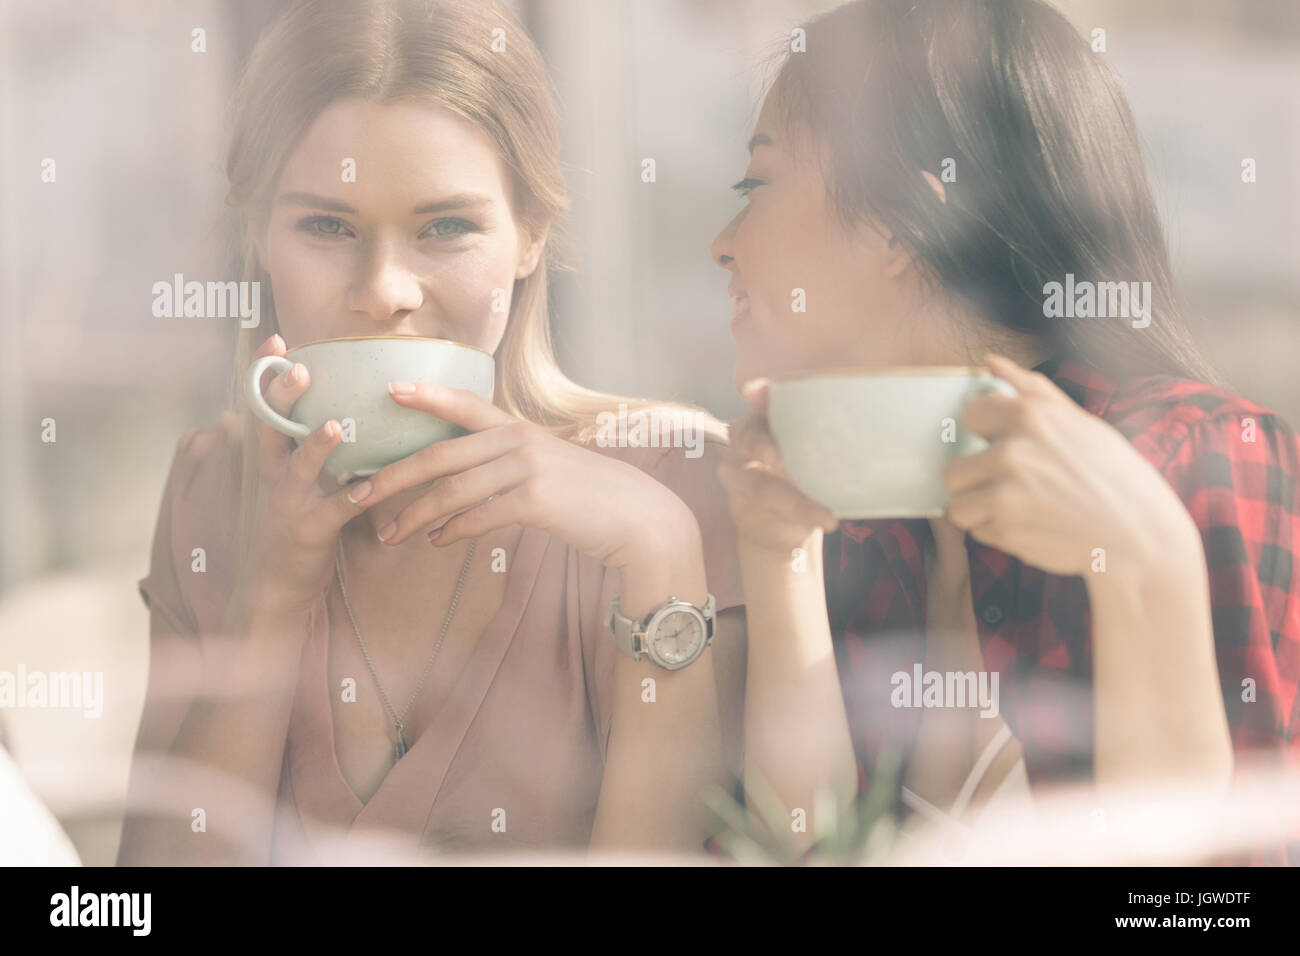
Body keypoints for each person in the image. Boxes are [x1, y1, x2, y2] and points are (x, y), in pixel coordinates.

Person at [118, 0, 745, 865]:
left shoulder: (680, 482)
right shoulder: (209, 489)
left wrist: (662, 552)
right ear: (257, 231)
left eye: (445, 227)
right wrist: (270, 602)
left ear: (531, 233)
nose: (386, 291)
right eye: (327, 226)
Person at [713, 0, 1299, 864]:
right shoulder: (860, 510)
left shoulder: (1194, 453)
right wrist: (777, 558)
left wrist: (1150, 566)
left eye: (755, 186)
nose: (723, 244)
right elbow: (807, 853)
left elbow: (1205, 905)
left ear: (901, 224)